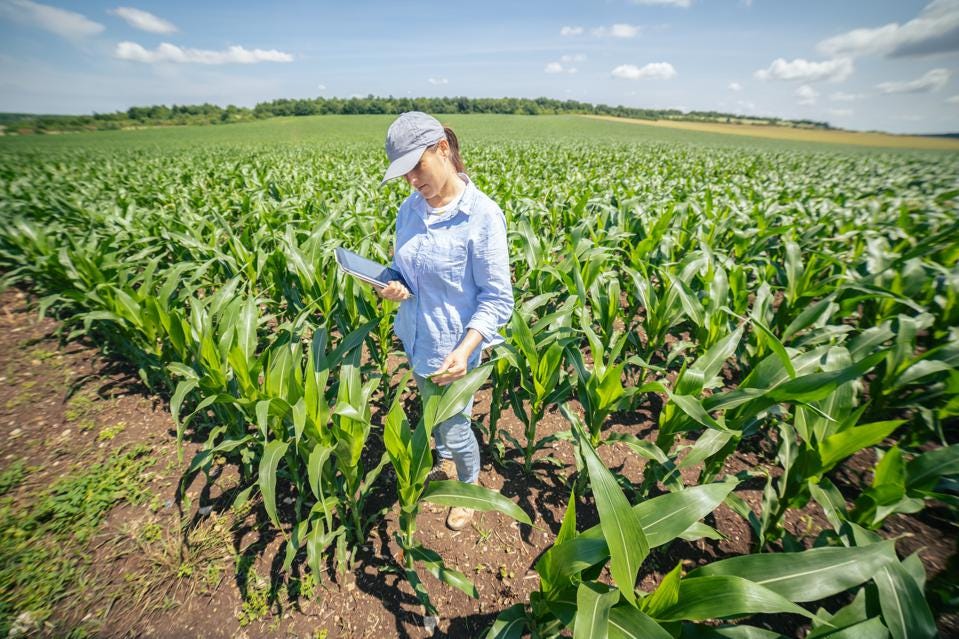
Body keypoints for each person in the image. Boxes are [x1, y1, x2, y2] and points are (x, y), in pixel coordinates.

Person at [377, 111, 513, 530]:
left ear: (443, 149)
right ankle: (447, 461)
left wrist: (466, 349)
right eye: (404, 174)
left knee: (453, 426)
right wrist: (394, 286)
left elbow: (497, 298)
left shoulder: (482, 217)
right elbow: (407, 268)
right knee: (435, 419)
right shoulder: (410, 209)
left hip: (453, 352)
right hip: (417, 339)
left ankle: (469, 488)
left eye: (417, 167)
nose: (412, 181)